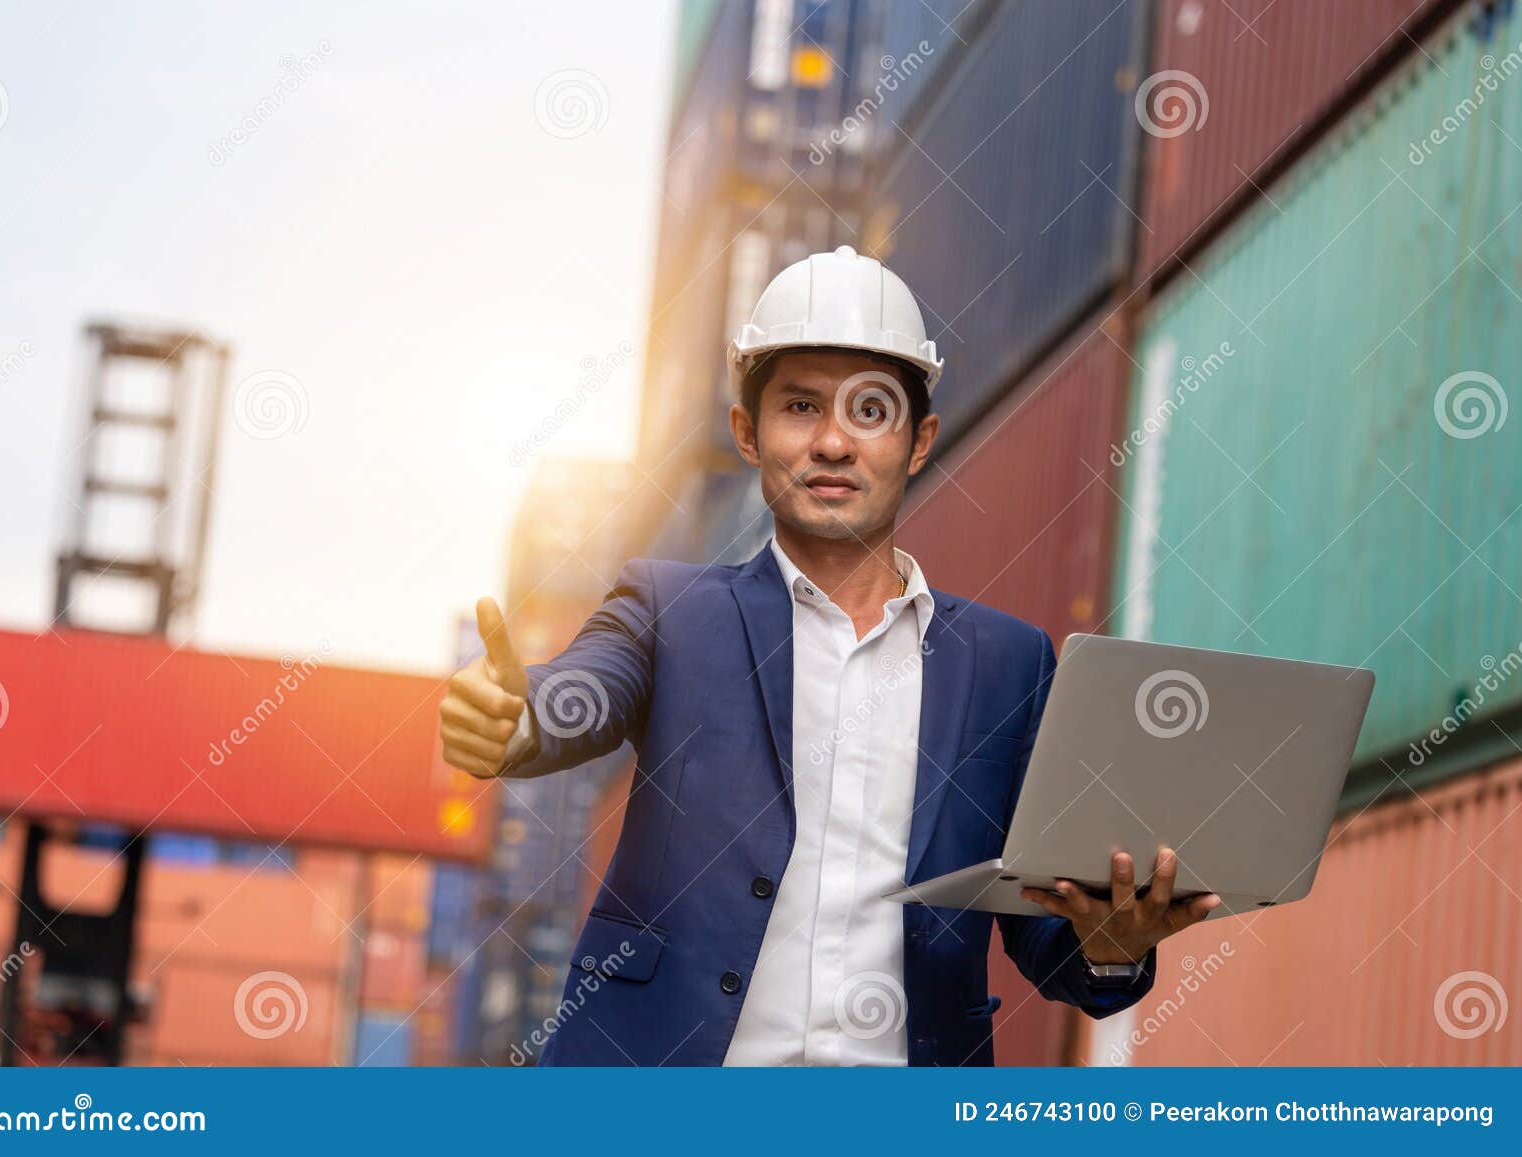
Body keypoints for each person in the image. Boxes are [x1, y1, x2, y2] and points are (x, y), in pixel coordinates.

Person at [438, 246, 1218, 1066]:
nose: (836, 442)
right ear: (747, 431)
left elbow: (1046, 931)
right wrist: (520, 721)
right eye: (802, 406)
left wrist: (1112, 942)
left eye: (872, 411)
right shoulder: (670, 610)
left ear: (919, 441)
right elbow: (582, 689)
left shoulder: (1009, 666)